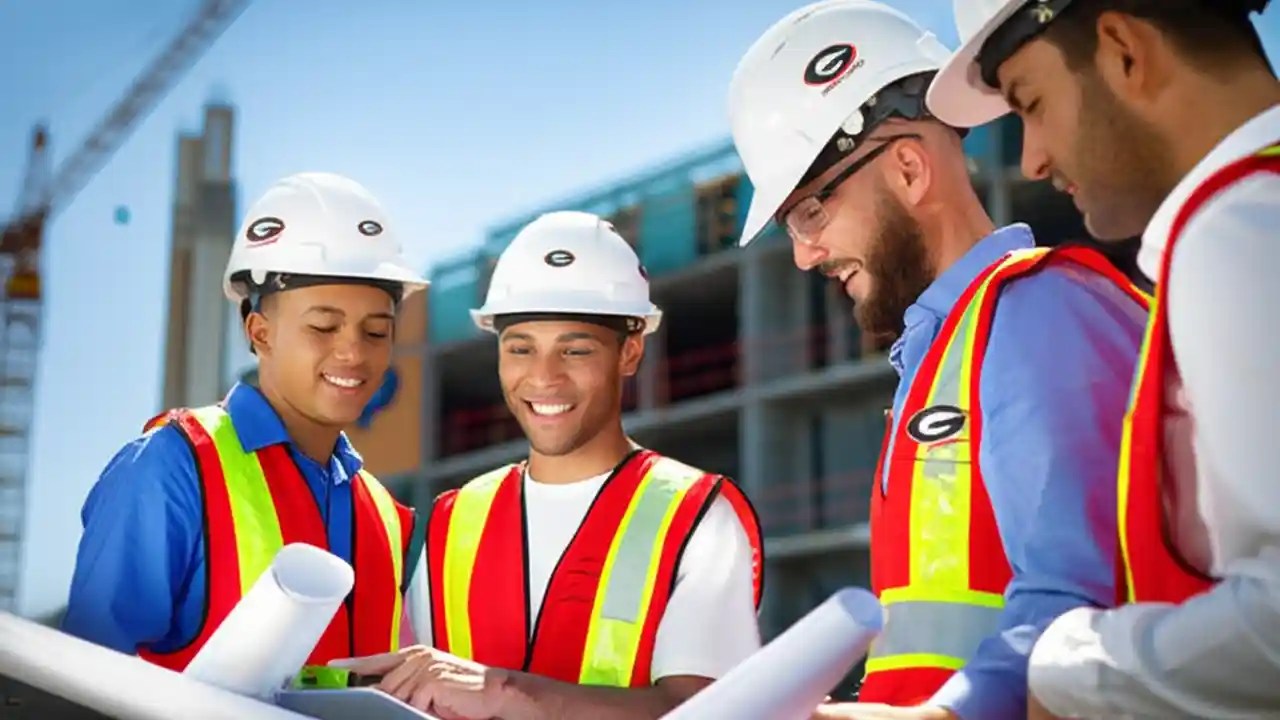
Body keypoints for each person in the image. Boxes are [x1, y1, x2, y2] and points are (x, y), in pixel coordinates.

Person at [726, 2, 1150, 719]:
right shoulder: (947, 357)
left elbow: (1090, 601)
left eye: (810, 215)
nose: (804, 255)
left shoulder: (1041, 311)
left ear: (910, 169)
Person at [926, 0, 1280, 717]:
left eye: (1031, 103)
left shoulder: (1238, 231)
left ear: (1122, 50)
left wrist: (1064, 667)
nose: (1032, 159)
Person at [330, 210, 765, 719]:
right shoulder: (456, 519)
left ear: (630, 352)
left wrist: (507, 692)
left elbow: (716, 715)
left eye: (575, 350)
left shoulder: (697, 516)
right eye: (520, 349)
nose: (543, 378)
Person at [62, 172, 428, 686]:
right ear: (260, 332)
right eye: (323, 326)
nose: (353, 352)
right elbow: (78, 688)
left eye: (376, 332)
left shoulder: (387, 517)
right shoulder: (172, 467)